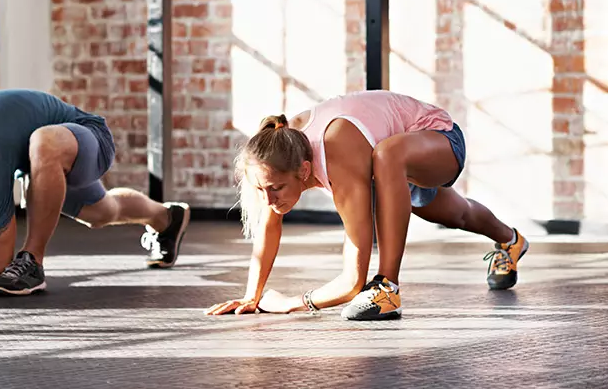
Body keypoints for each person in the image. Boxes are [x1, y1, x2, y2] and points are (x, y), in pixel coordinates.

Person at [205, 90, 528, 321]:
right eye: (261, 189)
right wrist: (253, 296)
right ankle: (511, 240)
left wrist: (291, 303)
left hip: (438, 137)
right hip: (391, 162)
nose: (269, 200)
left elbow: (352, 282)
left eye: (275, 189)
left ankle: (388, 288)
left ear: (304, 171)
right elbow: (268, 224)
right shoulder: (277, 148)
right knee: (457, 213)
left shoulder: (335, 150)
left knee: (388, 156)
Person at [0, 88, 191, 296]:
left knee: (44, 142)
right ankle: (166, 217)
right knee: (102, 213)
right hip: (34, 162)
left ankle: (33, 262)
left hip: (83, 136)